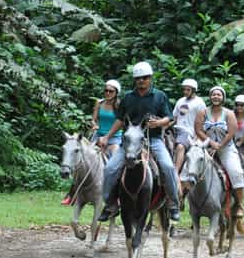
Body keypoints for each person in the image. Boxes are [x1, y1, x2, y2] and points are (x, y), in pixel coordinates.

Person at [97, 61, 181, 222]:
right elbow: (120, 120)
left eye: (144, 78)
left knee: (168, 166)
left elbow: (169, 117)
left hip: (153, 139)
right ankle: (110, 204)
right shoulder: (128, 97)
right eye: (138, 78)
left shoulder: (159, 96)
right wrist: (107, 136)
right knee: (109, 168)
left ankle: (173, 203)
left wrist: (158, 123)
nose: (141, 81)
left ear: (150, 78)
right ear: (134, 80)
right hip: (129, 141)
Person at [61, 79, 122, 206]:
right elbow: (94, 120)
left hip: (114, 138)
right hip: (97, 136)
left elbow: (121, 123)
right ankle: (73, 192)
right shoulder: (99, 103)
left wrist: (107, 136)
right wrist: (93, 125)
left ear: (116, 93)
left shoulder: (119, 106)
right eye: (106, 90)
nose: (108, 93)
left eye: (111, 91)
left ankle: (116, 195)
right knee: (82, 159)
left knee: (115, 163)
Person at [194, 86, 244, 220]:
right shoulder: (203, 112)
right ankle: (185, 201)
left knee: (235, 171)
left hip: (226, 148)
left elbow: (232, 132)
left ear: (223, 97)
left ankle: (240, 204)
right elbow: (198, 129)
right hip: (207, 146)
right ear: (210, 97)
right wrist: (210, 143)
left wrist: (219, 146)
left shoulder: (229, 113)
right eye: (213, 94)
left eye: (218, 95)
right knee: (191, 166)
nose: (216, 97)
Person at [172, 78, 206, 178]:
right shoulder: (180, 101)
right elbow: (174, 118)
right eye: (184, 89)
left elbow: (202, 121)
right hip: (176, 129)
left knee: (180, 146)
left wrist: (197, 135)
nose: (185, 92)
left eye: (188, 90)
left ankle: (176, 172)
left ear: (194, 90)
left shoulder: (200, 103)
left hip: (188, 131)